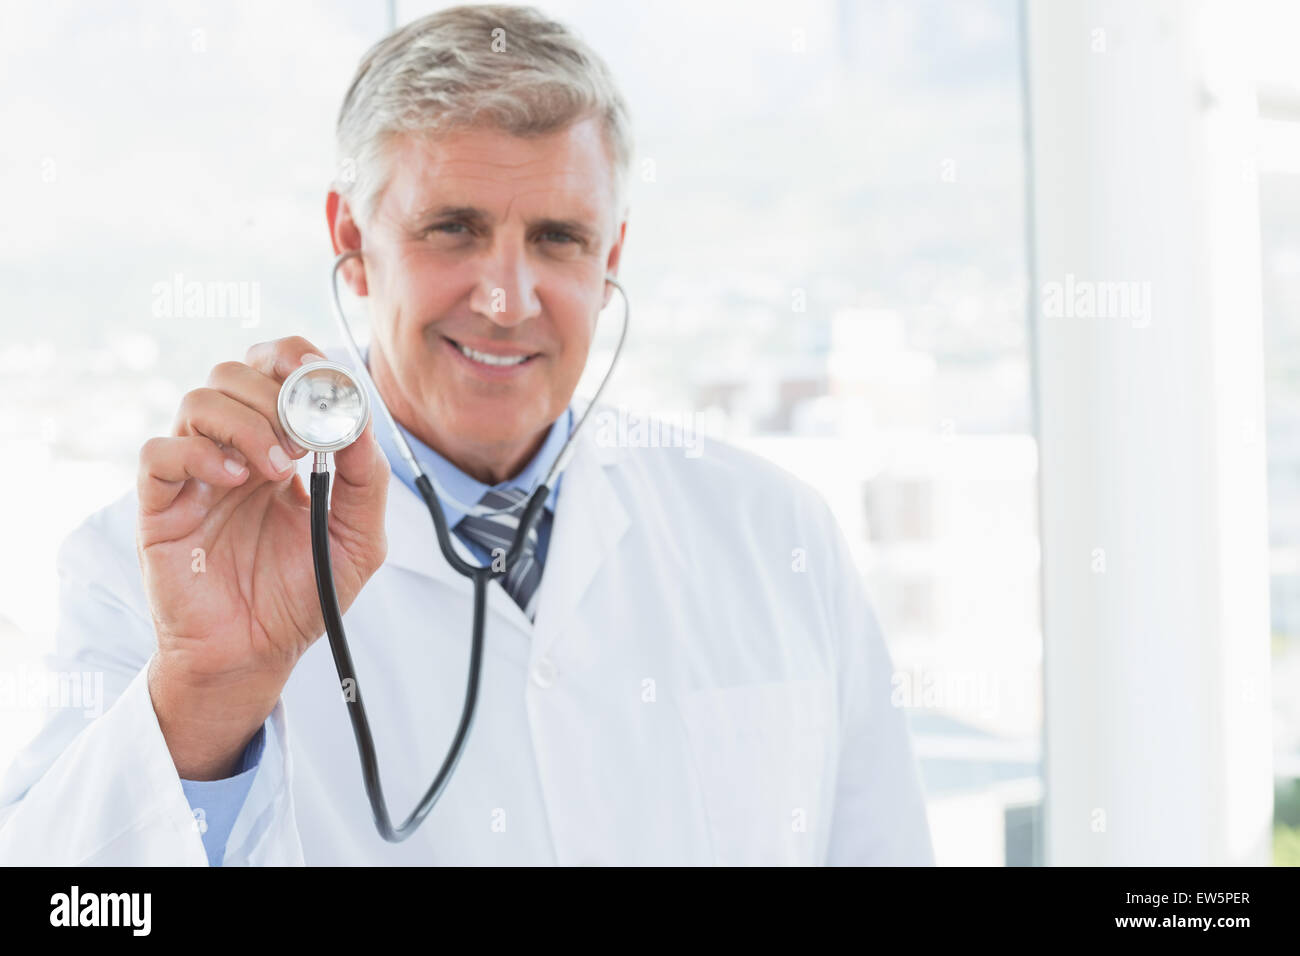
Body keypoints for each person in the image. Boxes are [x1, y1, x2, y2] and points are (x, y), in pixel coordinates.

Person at [0, 4, 933, 866]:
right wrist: (207, 701)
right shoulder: (160, 570)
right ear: (352, 242)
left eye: (560, 238)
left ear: (612, 255)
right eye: (453, 228)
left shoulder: (777, 537)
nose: (505, 299)